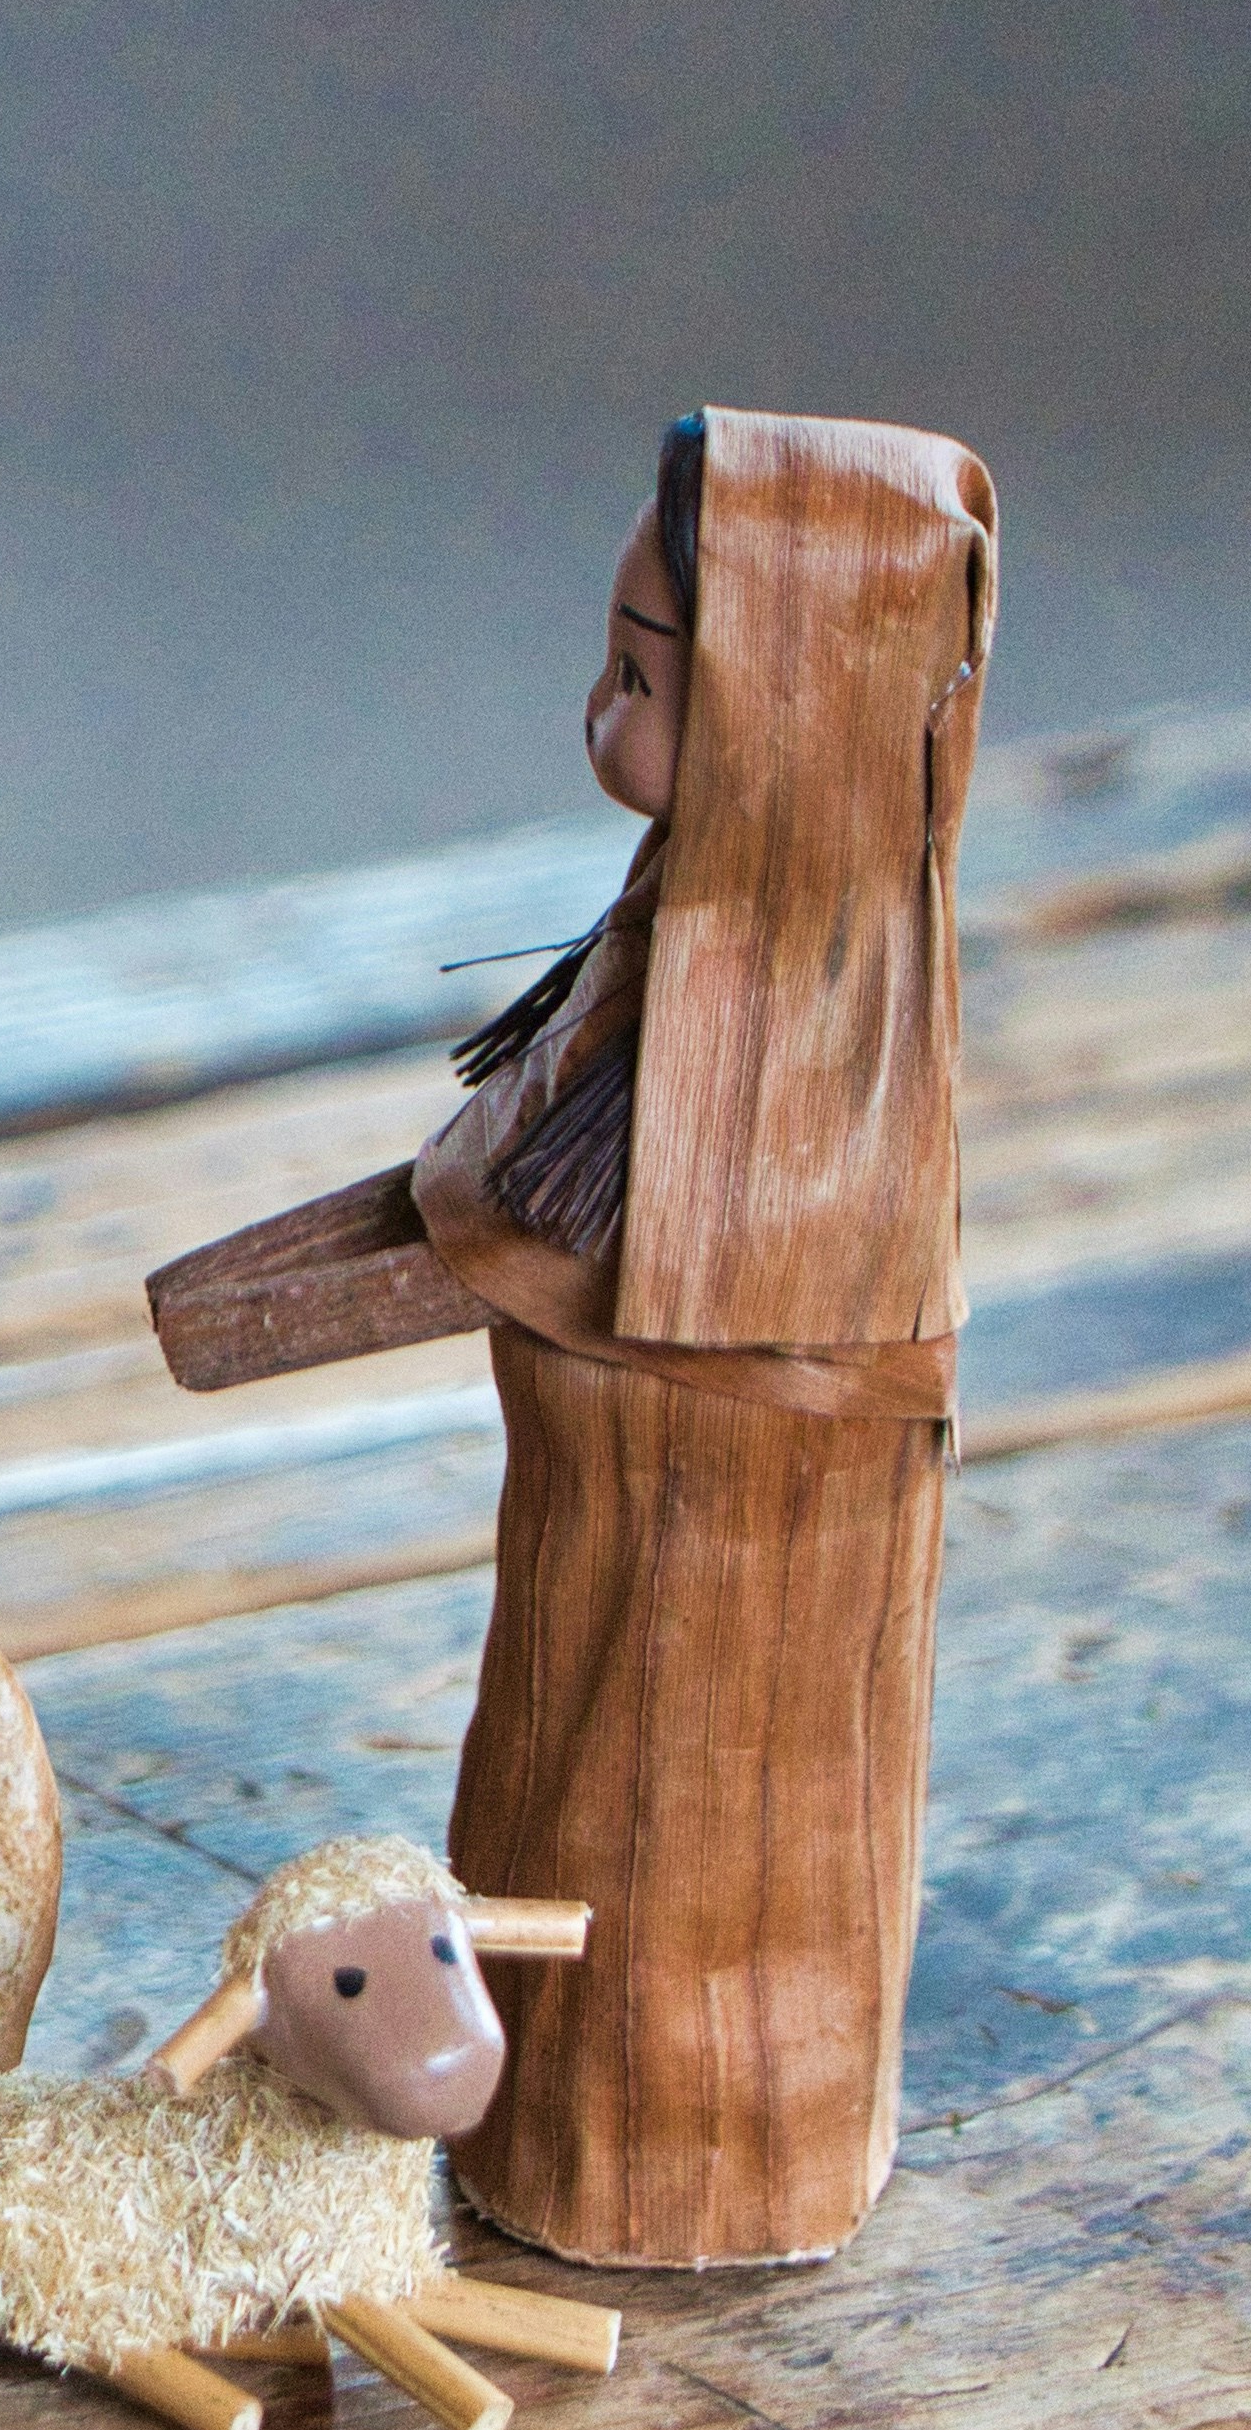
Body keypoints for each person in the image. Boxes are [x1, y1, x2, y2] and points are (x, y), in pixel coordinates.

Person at [414, 408, 998, 2267]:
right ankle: (529, 2116)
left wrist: (496, 1259)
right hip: (594, 1539)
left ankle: (697, 2160)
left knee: (690, 1875)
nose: (601, 717)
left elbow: (713, 1308)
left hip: (725, 1576)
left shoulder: (825, 1013)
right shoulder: (678, 919)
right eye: (610, 662)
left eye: (647, 680)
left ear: (794, 706)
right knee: (561, 1813)